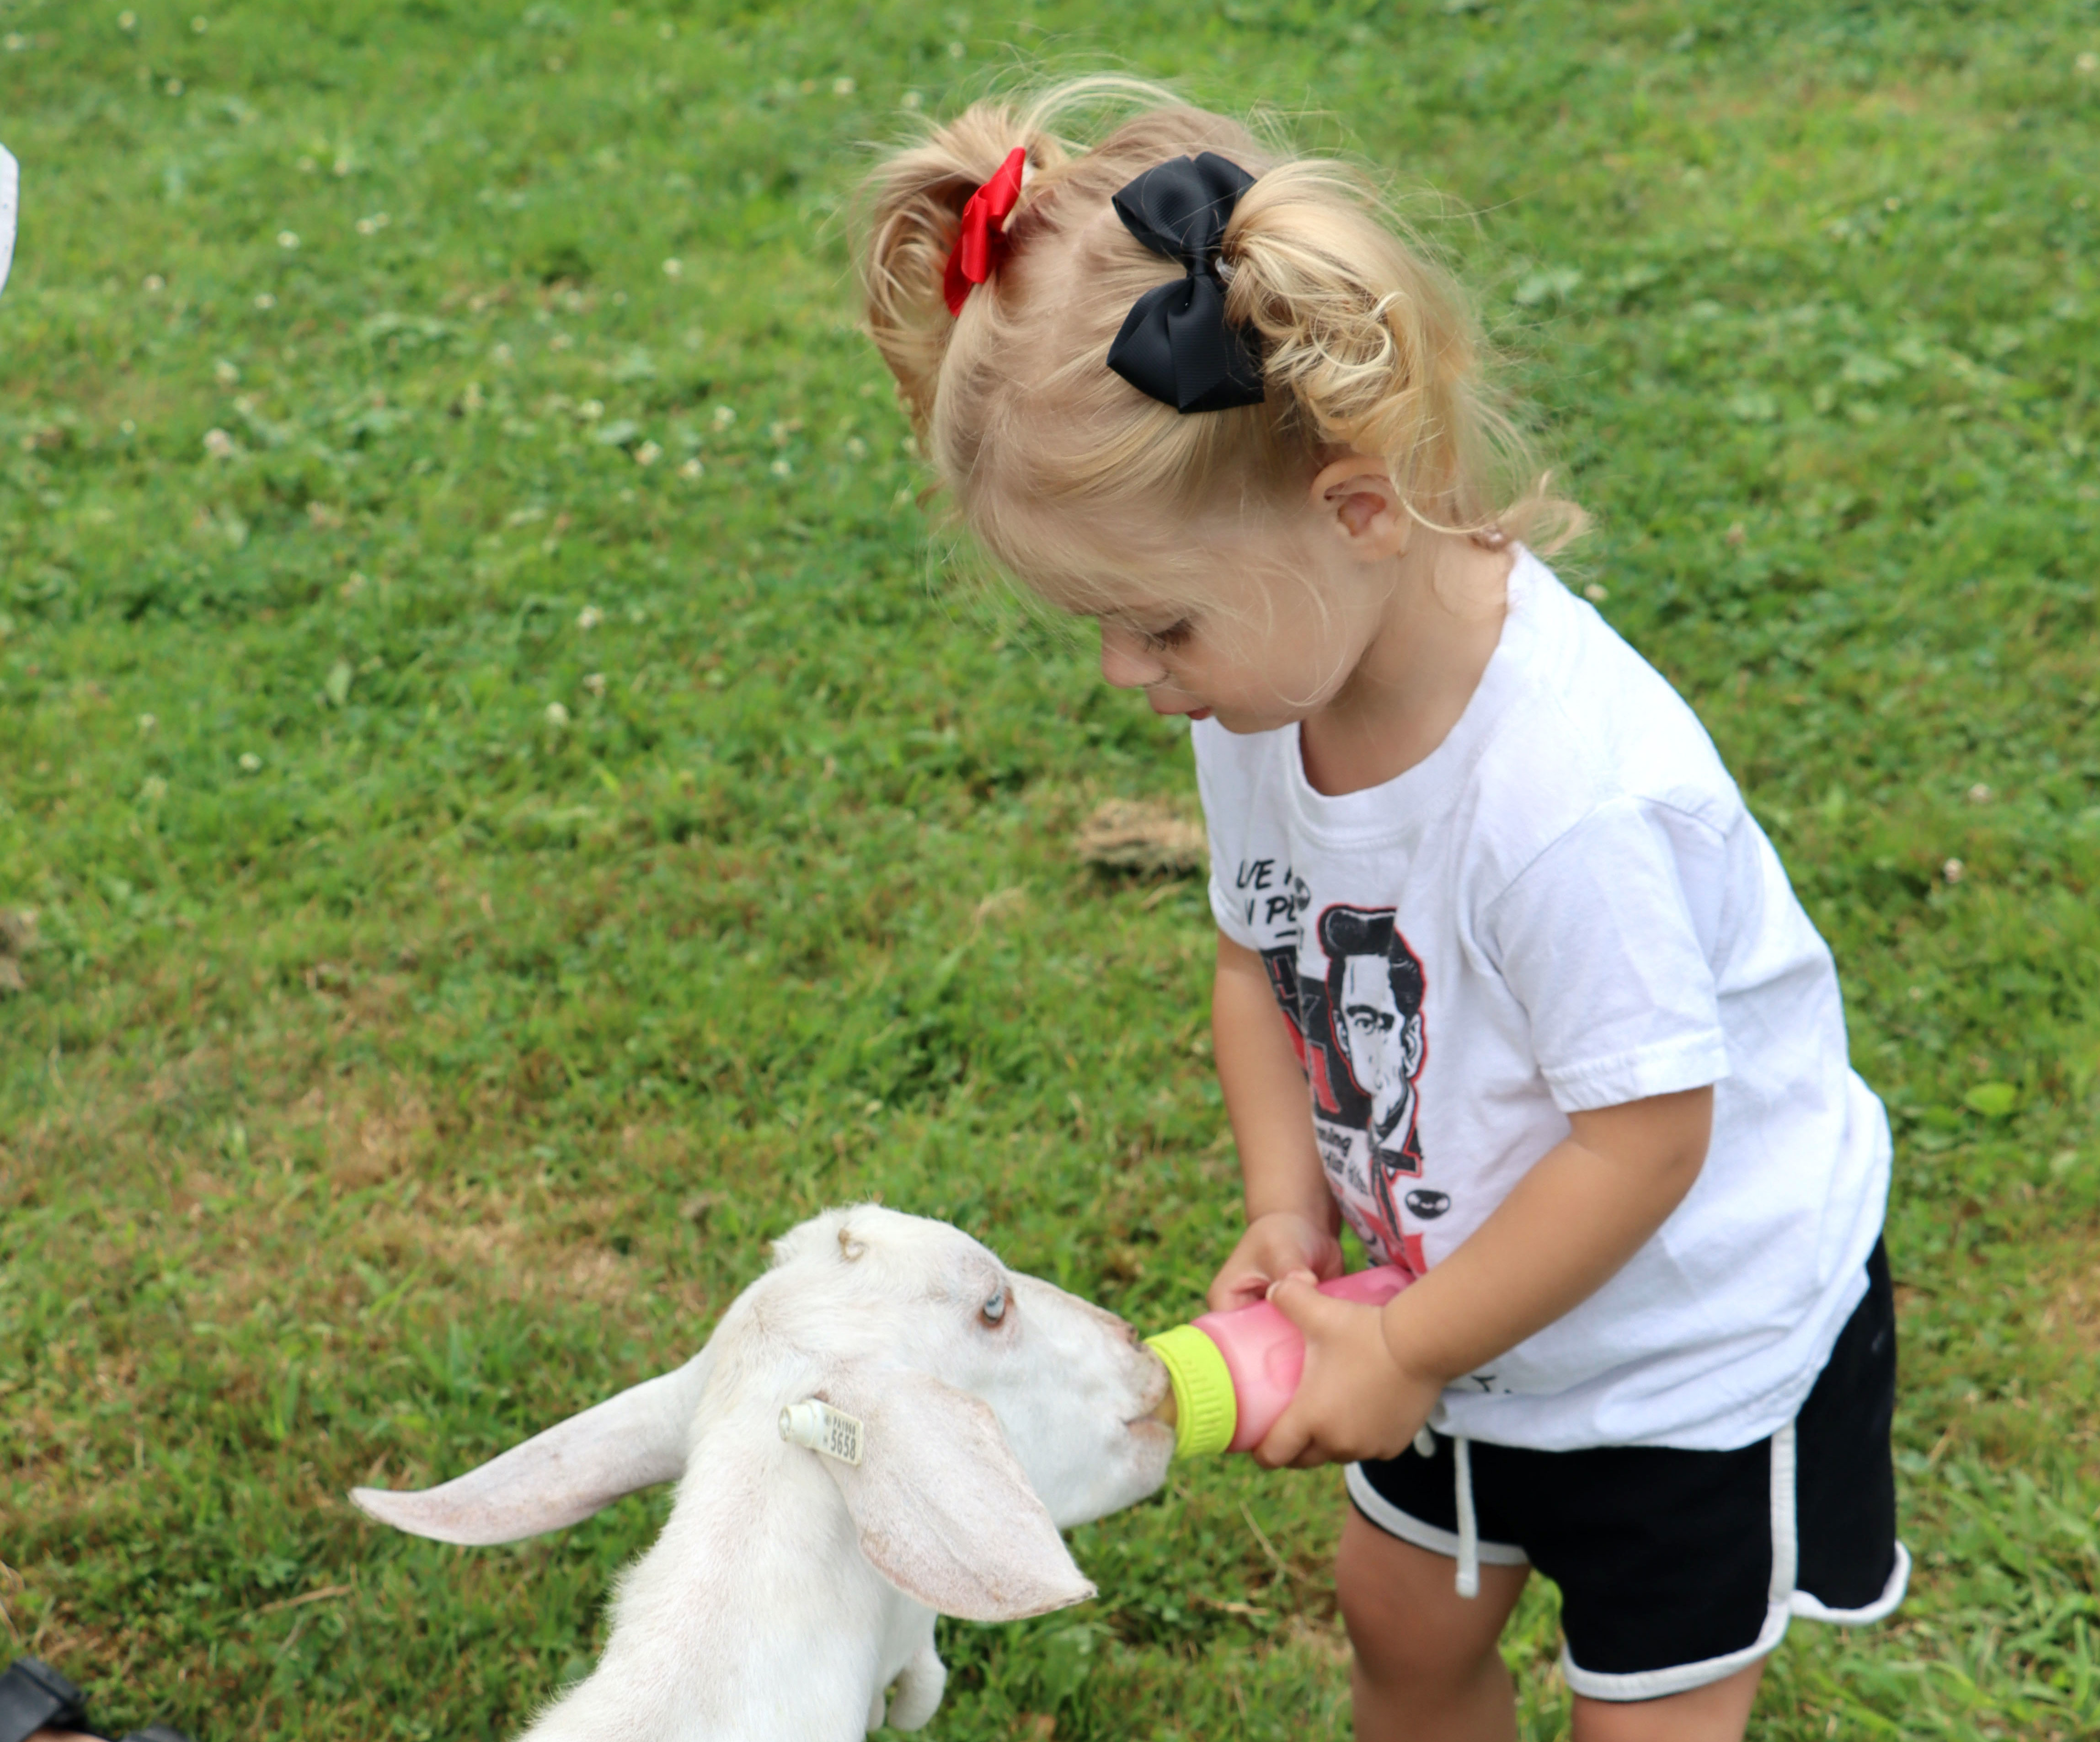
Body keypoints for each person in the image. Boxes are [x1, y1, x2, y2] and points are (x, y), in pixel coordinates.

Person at [855, 80, 1904, 1742]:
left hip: (1681, 1346)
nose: (1131, 678)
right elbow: (1252, 952)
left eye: (1157, 626)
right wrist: (1291, 1210)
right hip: (1439, 1299)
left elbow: (1645, 1140)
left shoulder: (1568, 797)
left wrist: (1408, 1344)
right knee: (1399, 1624)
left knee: (1650, 1706)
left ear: (1353, 510)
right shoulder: (1269, 697)